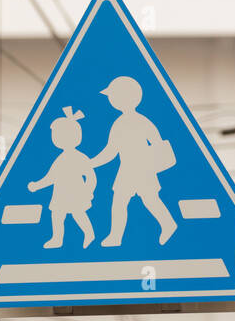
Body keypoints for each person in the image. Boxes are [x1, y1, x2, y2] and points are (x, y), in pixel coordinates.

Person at [92, 76, 178, 246]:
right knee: (139, 201)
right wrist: (92, 162)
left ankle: (117, 237)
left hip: (138, 170)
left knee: (126, 202)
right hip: (133, 170)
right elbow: (155, 141)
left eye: (113, 96)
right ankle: (118, 236)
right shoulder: (133, 121)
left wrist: (90, 163)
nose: (111, 100)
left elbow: (111, 151)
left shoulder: (125, 123)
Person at [27, 107, 96, 248]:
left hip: (76, 192)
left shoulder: (80, 157)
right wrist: (37, 185)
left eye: (58, 135)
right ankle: (57, 239)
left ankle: (89, 234)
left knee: (78, 214)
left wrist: (88, 191)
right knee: (57, 215)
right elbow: (51, 177)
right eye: (55, 135)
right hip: (61, 194)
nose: (55, 138)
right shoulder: (60, 159)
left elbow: (91, 176)